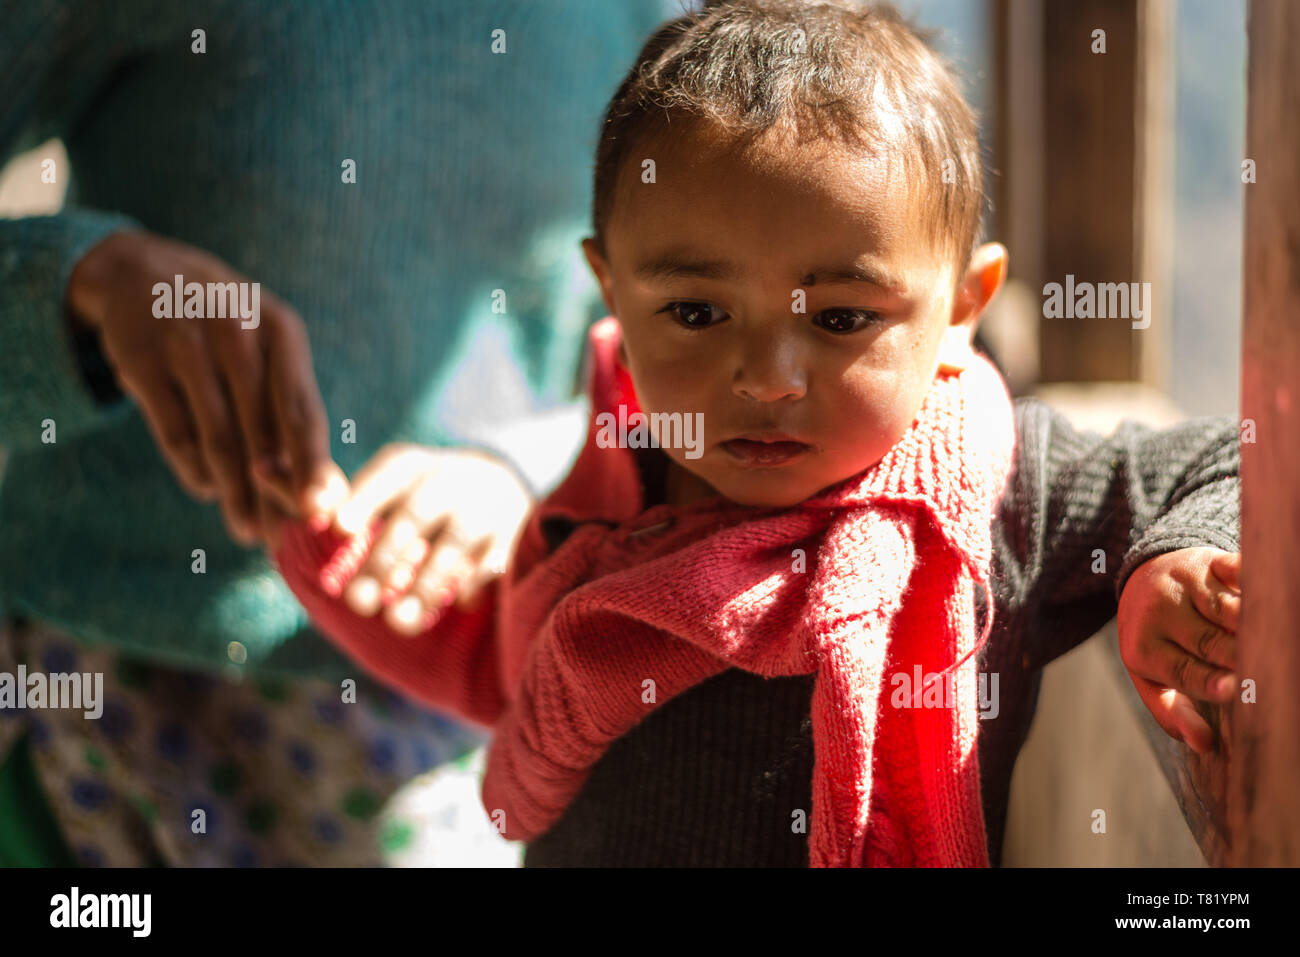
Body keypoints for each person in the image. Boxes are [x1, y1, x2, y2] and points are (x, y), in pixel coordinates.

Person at [278, 0, 1242, 866]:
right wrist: (326, 538)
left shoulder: (993, 495)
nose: (768, 380)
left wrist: (1177, 555)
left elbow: (1227, 457)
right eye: (696, 314)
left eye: (838, 320)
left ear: (959, 309)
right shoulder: (612, 478)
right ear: (611, 290)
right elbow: (504, 664)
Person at [0, 0, 671, 867]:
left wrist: (529, 471)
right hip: (98, 710)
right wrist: (85, 285)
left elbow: (680, 353)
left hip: (463, 714)